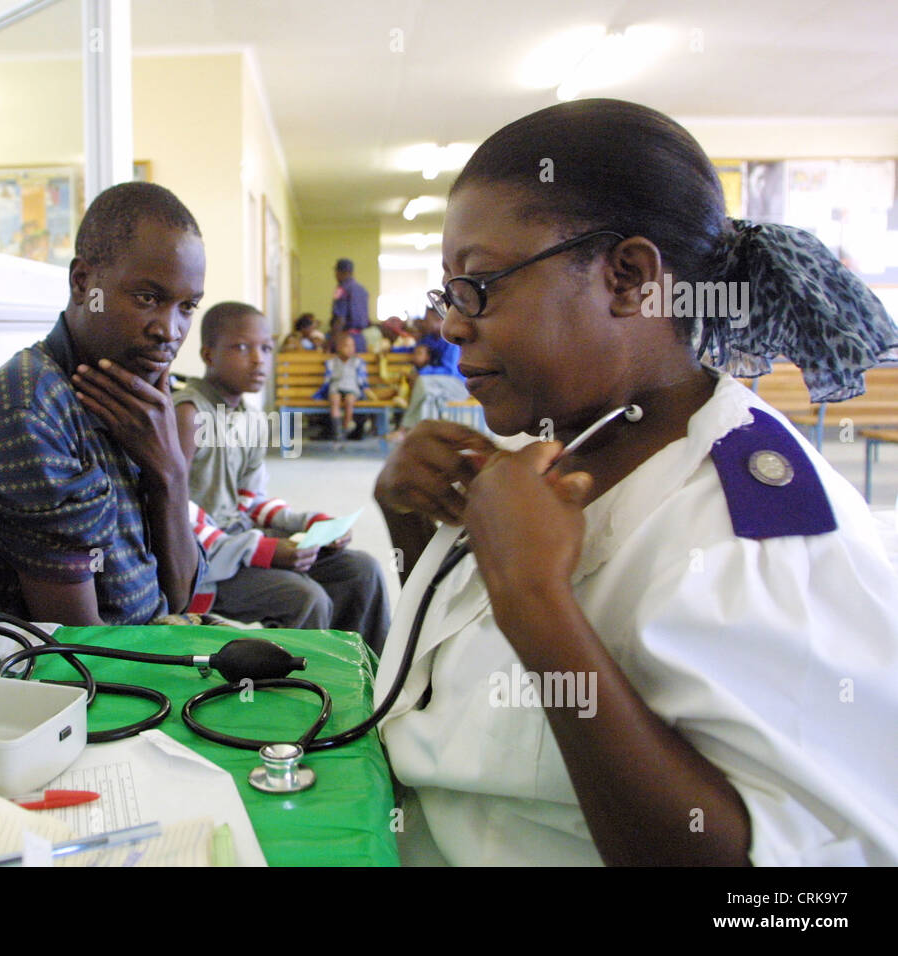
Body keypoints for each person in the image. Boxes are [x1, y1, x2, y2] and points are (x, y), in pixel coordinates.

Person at [373, 99, 898, 866]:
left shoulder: (757, 537)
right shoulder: (569, 445)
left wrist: (537, 604)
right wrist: (415, 520)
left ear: (629, 278)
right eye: (447, 293)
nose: (452, 326)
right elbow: (442, 681)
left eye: (480, 286)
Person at [0, 182, 206, 626]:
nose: (170, 330)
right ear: (82, 283)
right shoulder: (30, 408)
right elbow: (80, 654)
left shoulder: (142, 396)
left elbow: (182, 597)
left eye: (186, 306)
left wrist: (169, 472)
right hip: (86, 679)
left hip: (155, 641)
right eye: (148, 298)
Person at [174, 303, 390, 653]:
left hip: (241, 542)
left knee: (361, 570)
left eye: (266, 349)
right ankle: (308, 693)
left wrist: (306, 523)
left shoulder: (252, 418)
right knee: (306, 599)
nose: (259, 360)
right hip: (203, 565)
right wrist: (261, 550)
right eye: (242, 347)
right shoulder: (189, 413)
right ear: (208, 354)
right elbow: (173, 508)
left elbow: (251, 499)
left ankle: (368, 677)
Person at [395, 309, 472, 434]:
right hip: (437, 387)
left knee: (423, 383)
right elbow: (412, 350)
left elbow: (449, 370)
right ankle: (423, 435)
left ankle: (405, 428)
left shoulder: (451, 341)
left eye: (427, 320)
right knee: (427, 398)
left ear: (440, 321)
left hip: (457, 386)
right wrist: (393, 350)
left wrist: (423, 372)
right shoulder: (429, 339)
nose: (424, 323)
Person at [315, 331, 371, 439]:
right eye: (346, 346)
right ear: (338, 348)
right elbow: (328, 379)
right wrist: (321, 393)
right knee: (334, 399)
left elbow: (362, 379)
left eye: (352, 346)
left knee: (349, 400)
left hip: (352, 388)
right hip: (336, 387)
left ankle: (346, 426)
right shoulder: (331, 362)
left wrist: (366, 389)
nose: (350, 349)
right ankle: (337, 430)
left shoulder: (358, 362)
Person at [331, 257, 370, 346]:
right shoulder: (362, 290)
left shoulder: (342, 289)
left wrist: (331, 342)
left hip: (346, 340)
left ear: (339, 272)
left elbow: (340, 319)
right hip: (360, 339)